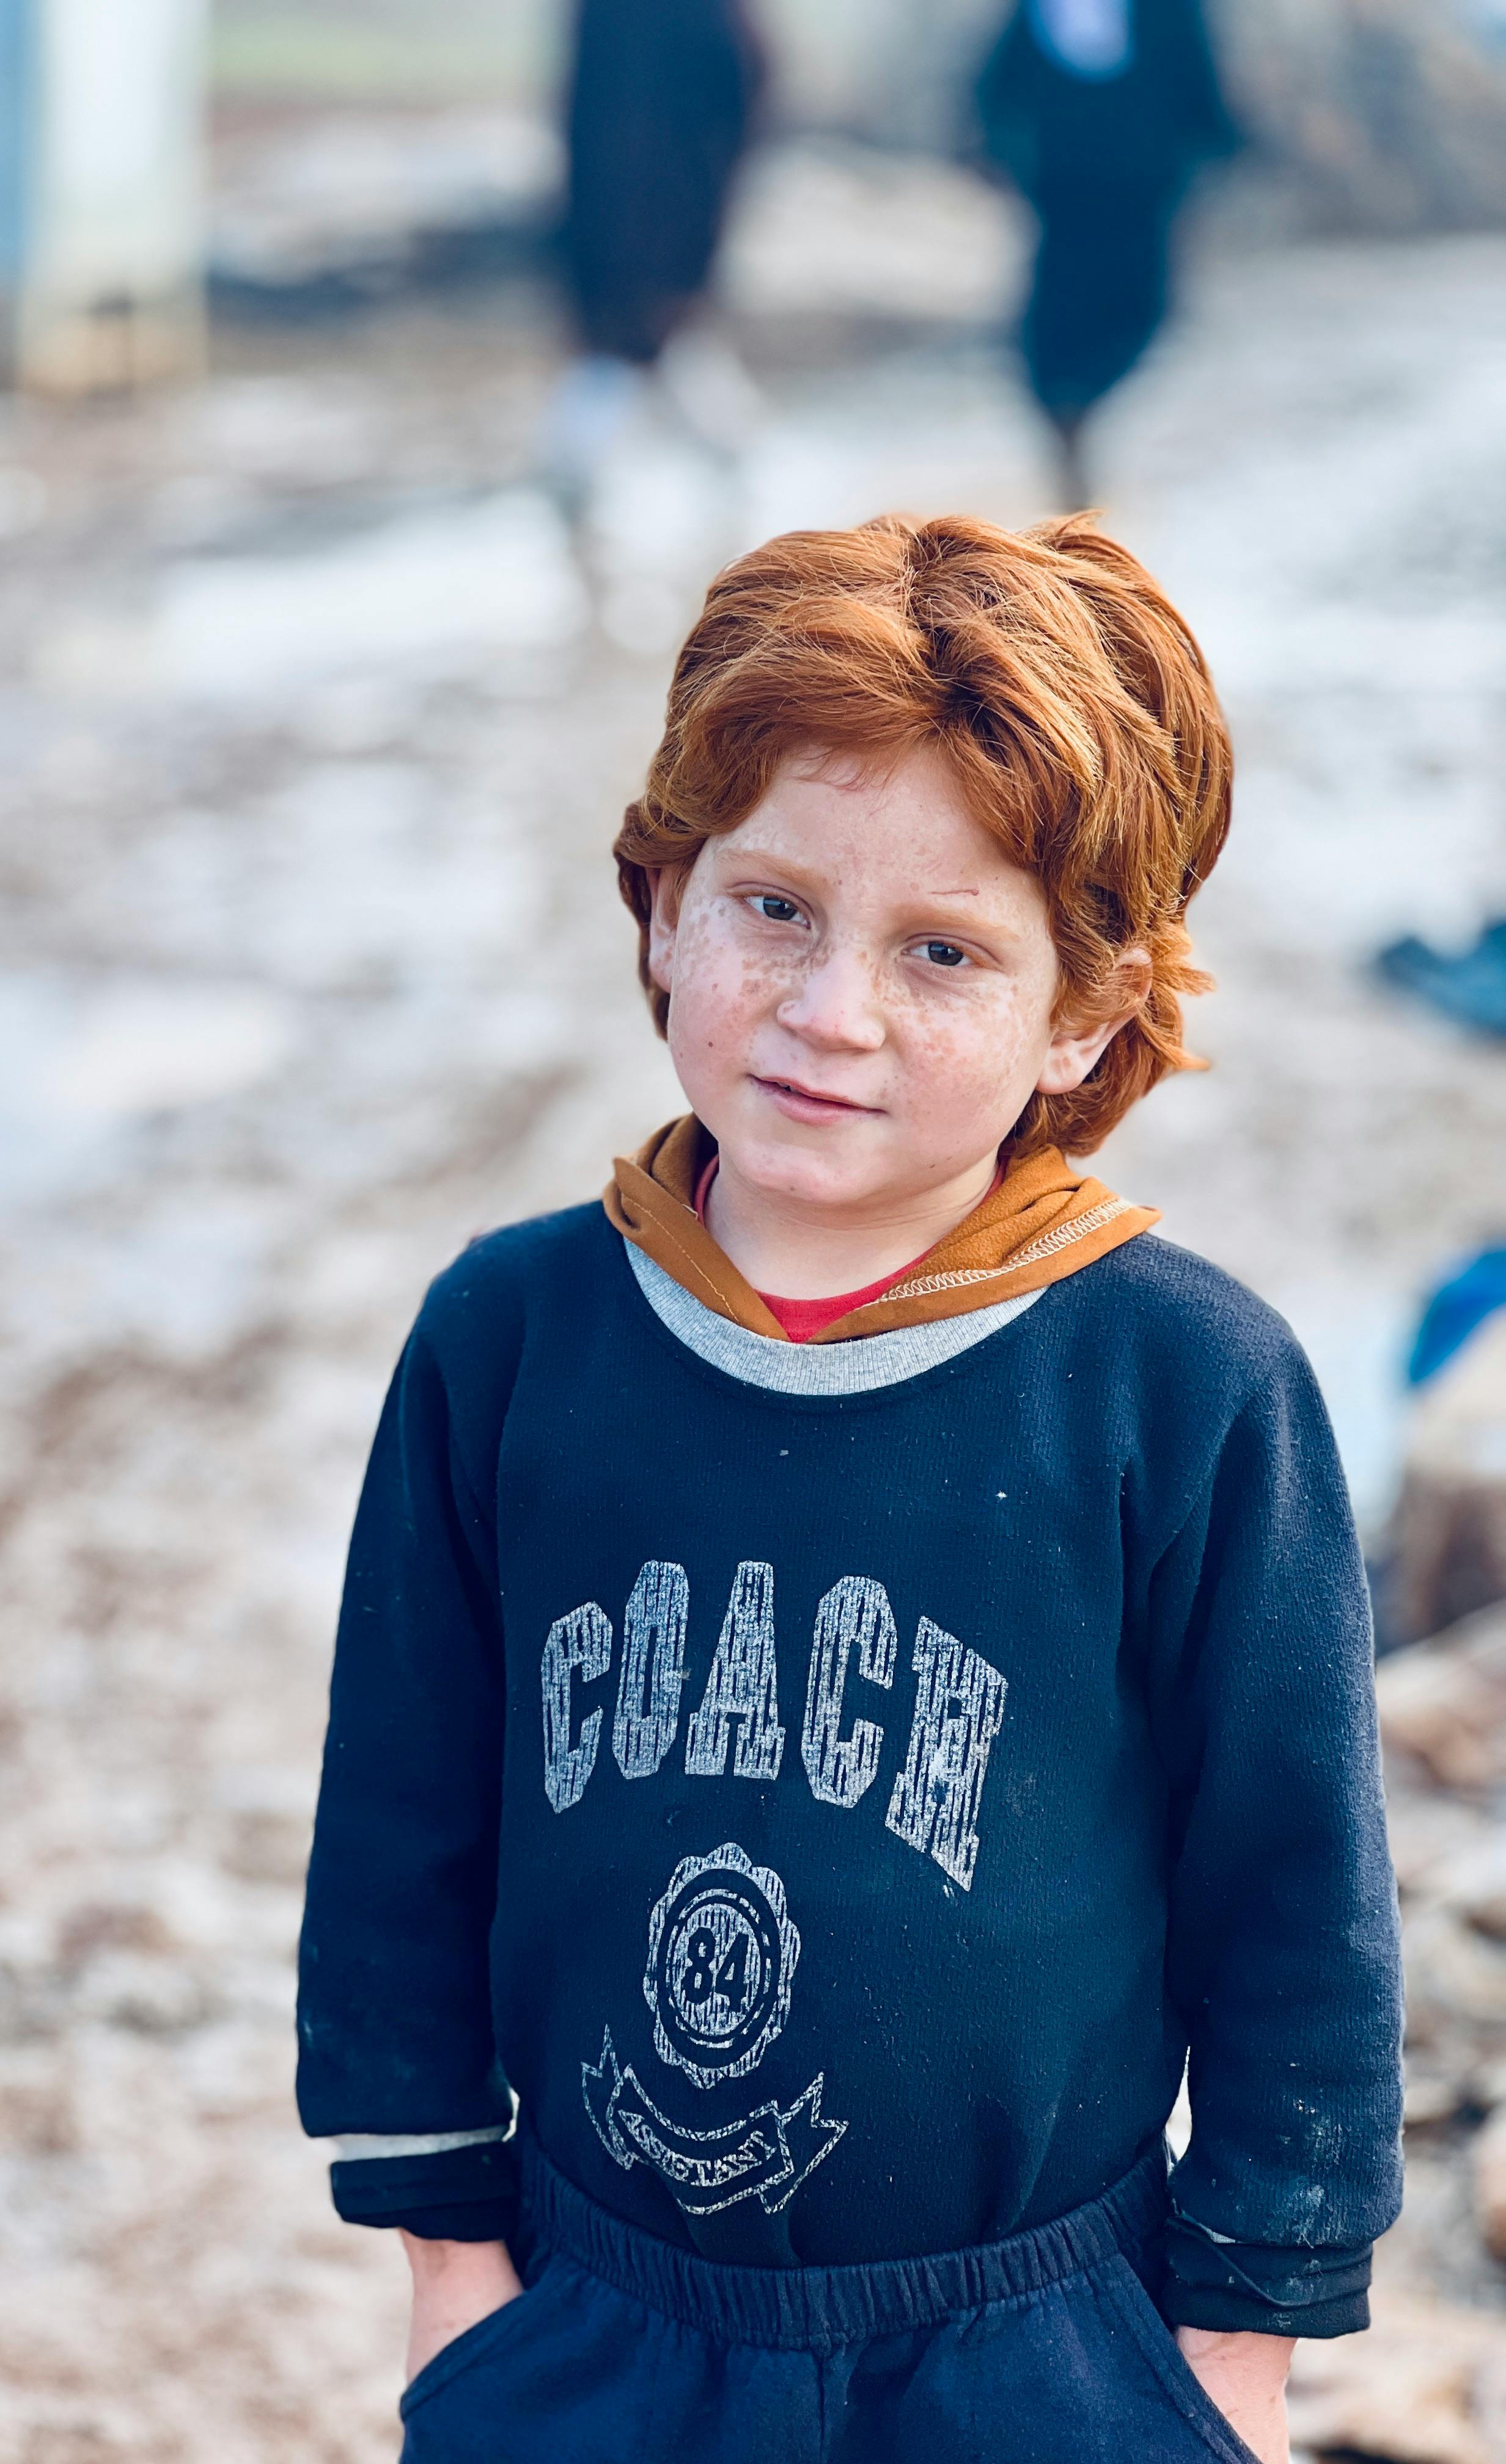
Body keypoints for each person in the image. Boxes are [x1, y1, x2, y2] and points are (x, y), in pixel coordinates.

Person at [296, 514, 1403, 2462]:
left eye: (946, 952)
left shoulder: (1189, 1387)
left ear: (1082, 1010)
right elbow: (400, 1815)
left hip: (1039, 2339)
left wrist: (1238, 2338)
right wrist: (451, 2275)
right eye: (777, 908)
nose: (835, 1011)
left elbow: (1295, 1897)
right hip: (591, 2313)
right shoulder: (511, 1337)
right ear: (660, 904)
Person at [974, 0, 1237, 506]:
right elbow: (999, 82)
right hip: (1063, 193)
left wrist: (1219, 142)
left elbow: (1195, 72)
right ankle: (1063, 416)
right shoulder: (1040, 9)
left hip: (1144, 191)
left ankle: (1081, 407)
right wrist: (996, 151)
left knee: (1145, 307)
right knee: (1059, 313)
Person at [541, 0, 768, 505]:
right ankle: (743, 509)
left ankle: (744, 511)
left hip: (654, 230)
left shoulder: (699, 21)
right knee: (661, 366)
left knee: (637, 367)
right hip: (636, 227)